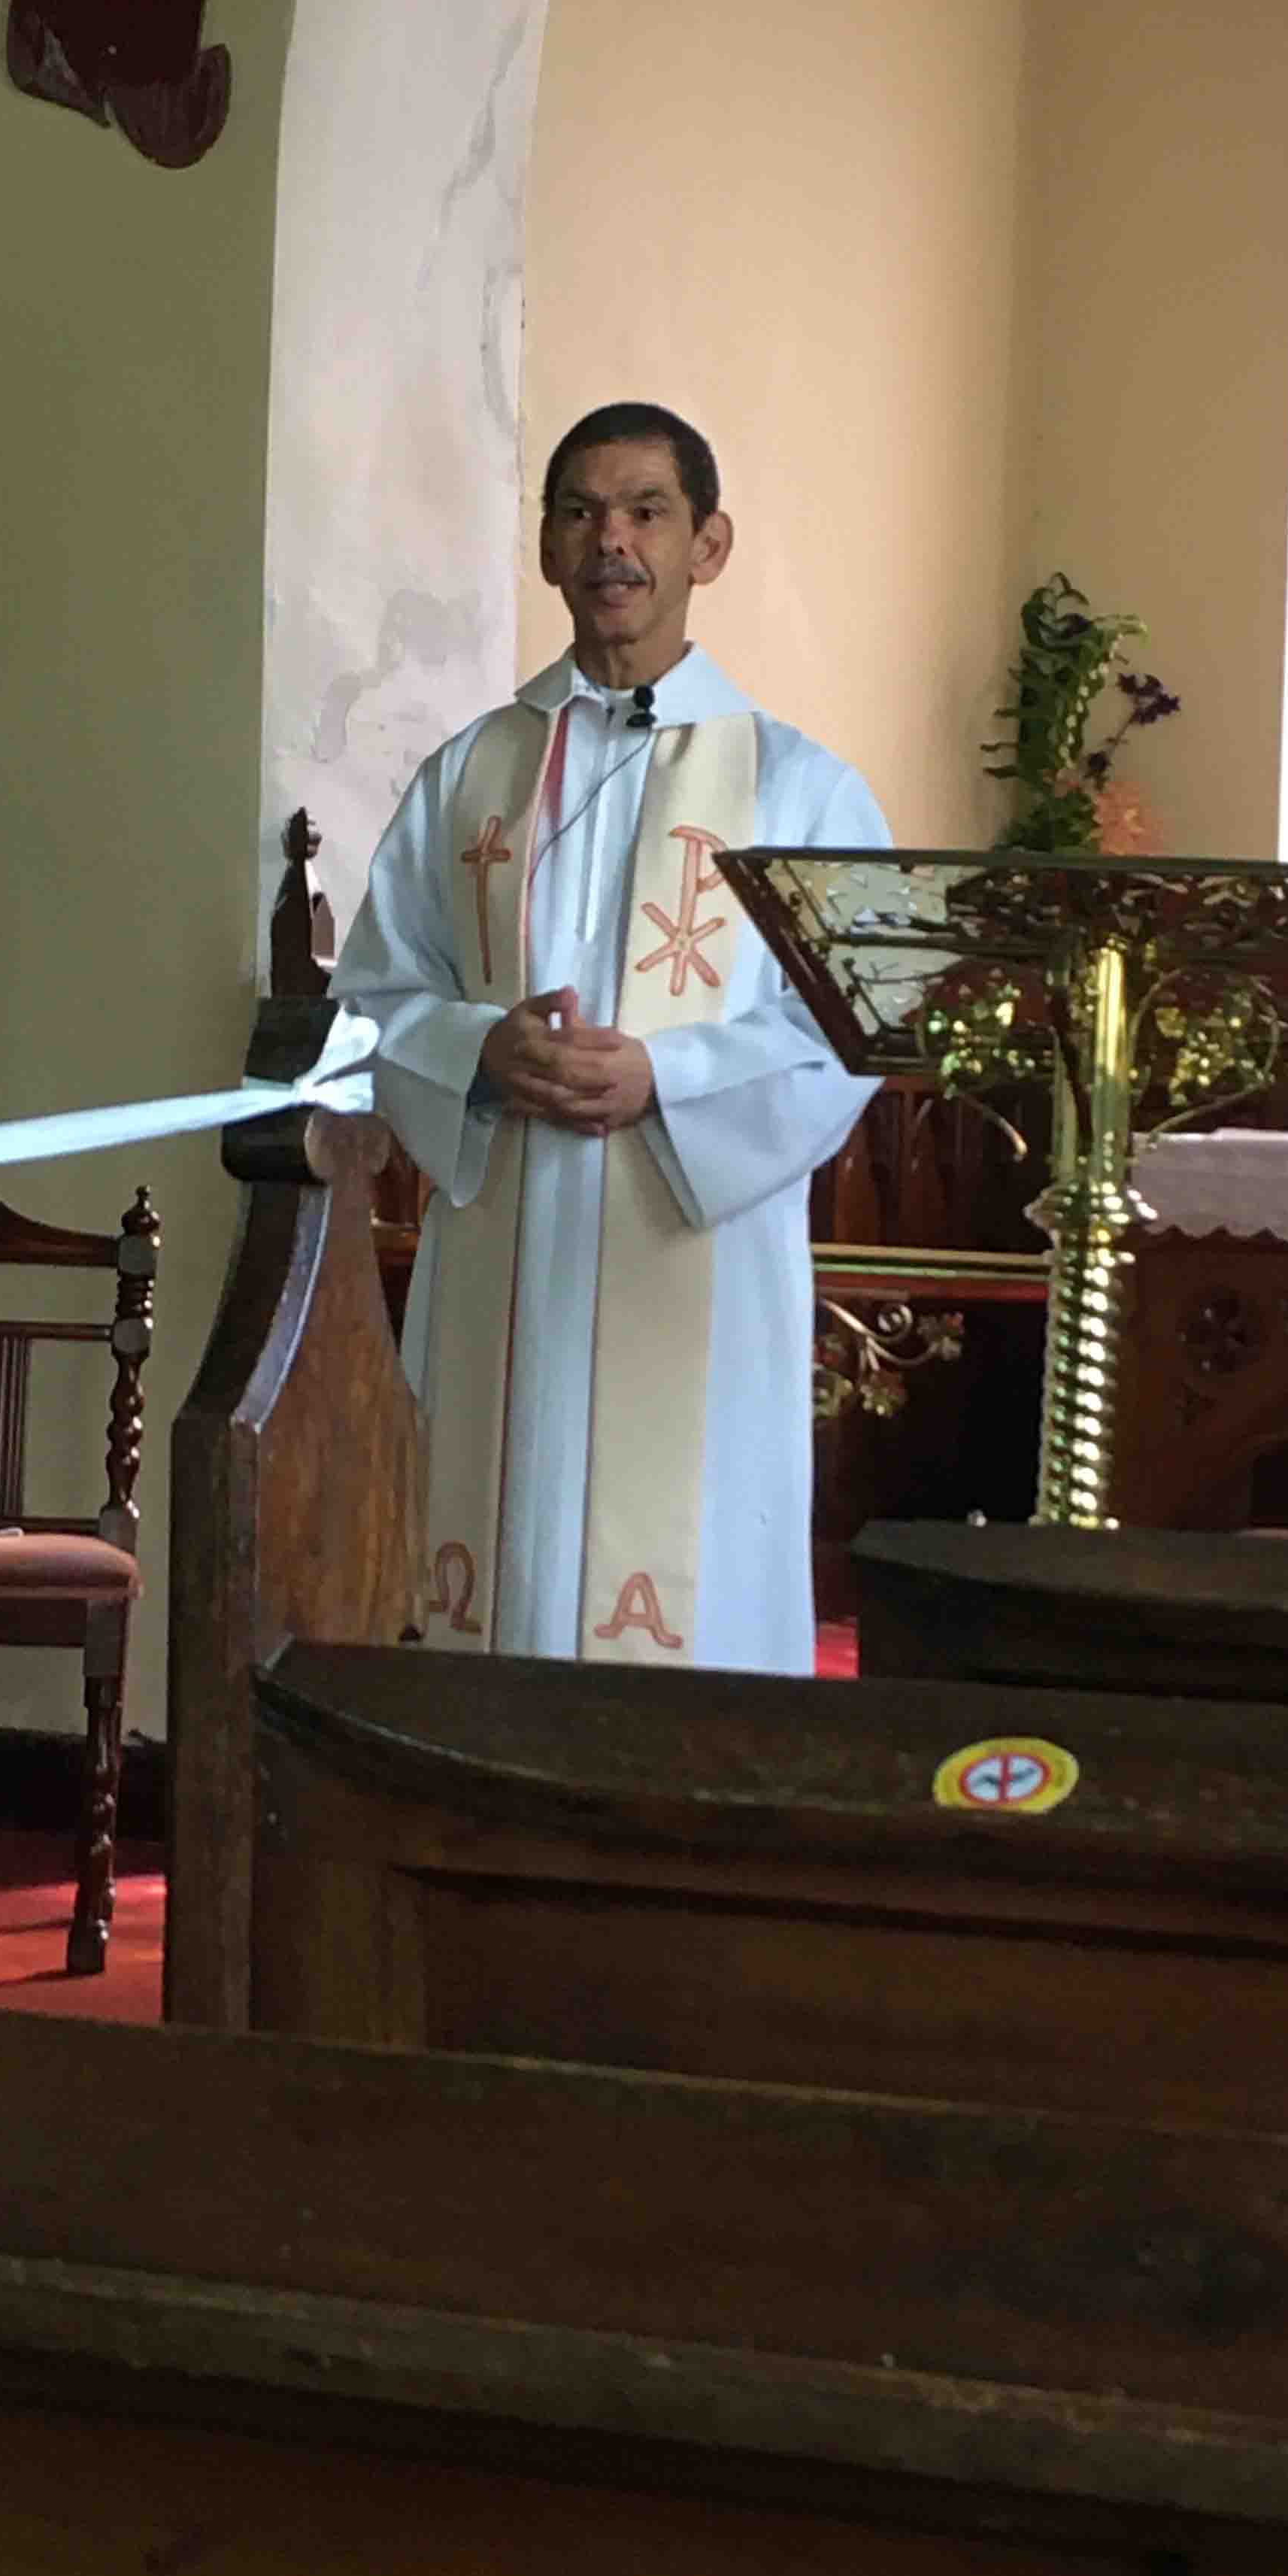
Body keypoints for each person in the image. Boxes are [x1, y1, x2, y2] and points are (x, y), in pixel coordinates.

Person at [332, 401, 891, 1673]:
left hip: (693, 1267)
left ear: (710, 545)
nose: (612, 541)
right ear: (545, 549)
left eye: (647, 510)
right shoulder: (472, 770)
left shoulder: (799, 786)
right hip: (504, 1264)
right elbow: (370, 995)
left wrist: (669, 1077)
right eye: (580, 512)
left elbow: (852, 1030)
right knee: (490, 1593)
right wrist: (479, 1053)